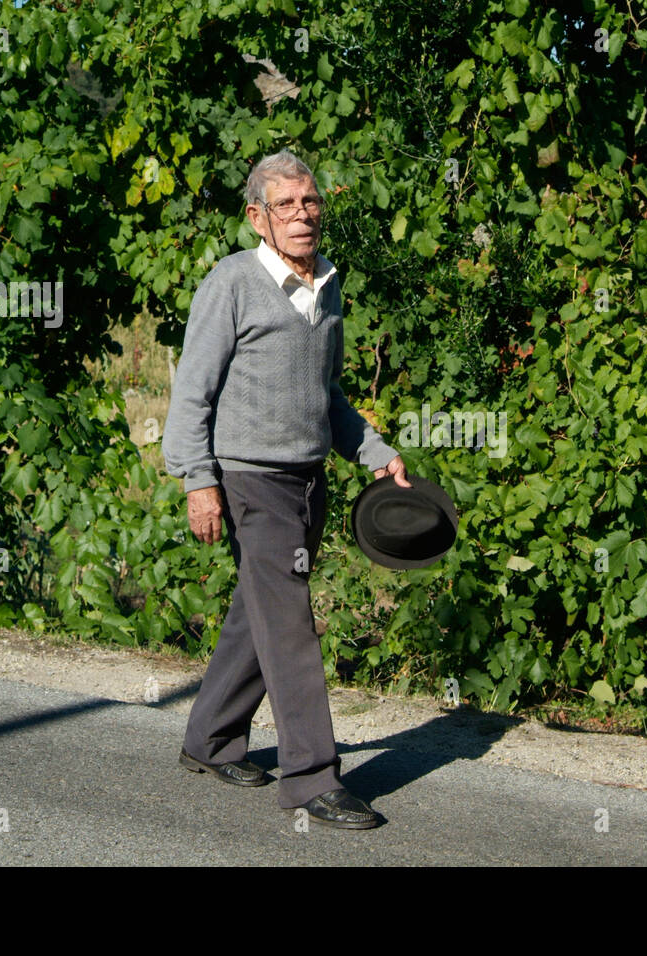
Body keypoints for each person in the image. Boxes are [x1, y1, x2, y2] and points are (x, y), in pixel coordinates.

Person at [162, 149, 409, 829]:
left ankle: (209, 738)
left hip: (308, 479)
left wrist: (377, 454)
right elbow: (193, 393)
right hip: (250, 480)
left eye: (311, 201)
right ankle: (311, 778)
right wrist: (198, 481)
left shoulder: (326, 286)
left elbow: (324, 395)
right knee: (293, 624)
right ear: (256, 217)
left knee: (259, 612)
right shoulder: (232, 283)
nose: (302, 215)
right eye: (286, 204)